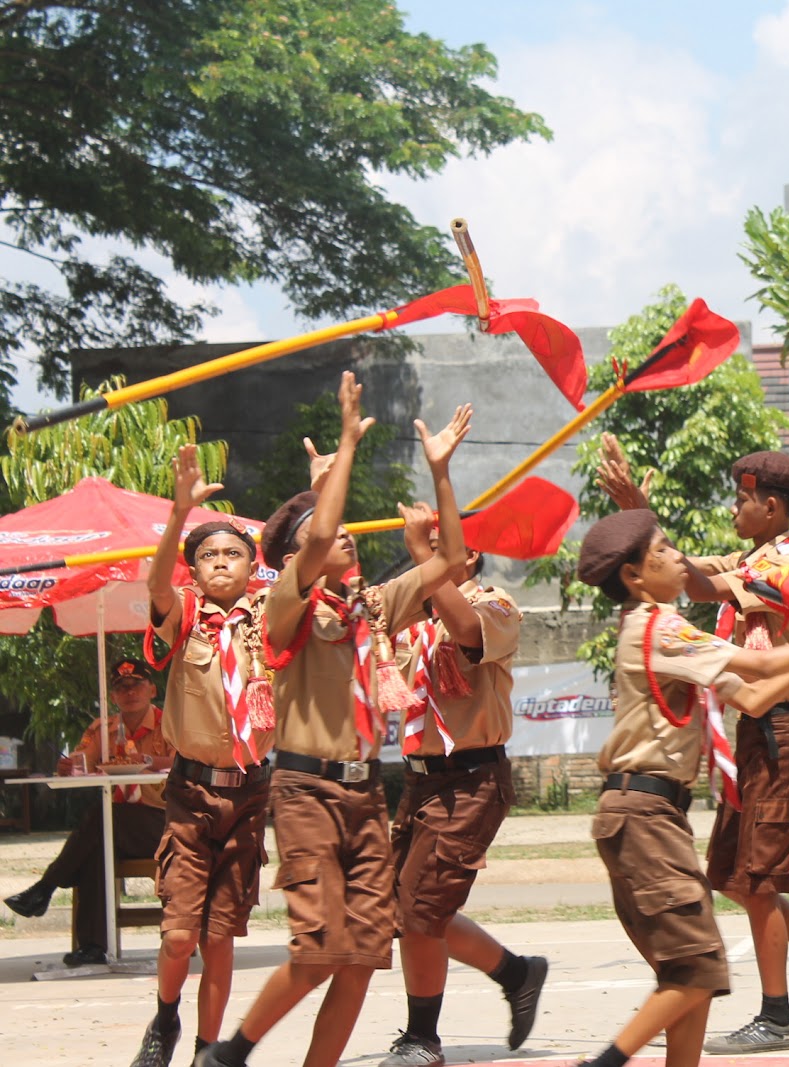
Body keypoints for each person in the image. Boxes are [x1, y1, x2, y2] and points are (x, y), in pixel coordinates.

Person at [571, 509, 789, 1067]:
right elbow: (762, 659)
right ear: (635, 575)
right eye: (664, 551)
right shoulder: (658, 627)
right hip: (641, 815)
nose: (677, 560)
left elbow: (755, 693)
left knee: (693, 975)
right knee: (697, 969)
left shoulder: (661, 628)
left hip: (651, 816)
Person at [199, 374, 471, 1067]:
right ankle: (230, 1051)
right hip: (307, 793)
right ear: (294, 557)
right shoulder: (284, 607)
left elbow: (450, 561)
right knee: (320, 946)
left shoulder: (370, 609)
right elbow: (320, 531)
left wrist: (441, 474)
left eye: (349, 532)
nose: (344, 537)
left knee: (360, 957)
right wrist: (343, 451)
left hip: (364, 795)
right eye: (331, 534)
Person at [597, 438, 789, 1054]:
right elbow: (692, 575)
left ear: (771, 507)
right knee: (732, 873)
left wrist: (645, 518)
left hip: (778, 728)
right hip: (753, 728)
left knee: (760, 880)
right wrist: (643, 518)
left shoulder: (778, 567)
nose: (732, 510)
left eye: (741, 501)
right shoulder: (753, 555)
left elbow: (703, 585)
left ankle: (776, 1016)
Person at [379, 506, 548, 1067]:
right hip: (420, 779)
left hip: (473, 777)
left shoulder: (495, 603)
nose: (423, 551)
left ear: (467, 554)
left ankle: (422, 1038)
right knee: (408, 908)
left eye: (440, 543)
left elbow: (466, 631)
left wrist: (427, 554)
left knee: (423, 909)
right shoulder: (408, 616)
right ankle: (516, 972)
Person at [127, 446, 276, 1067]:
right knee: (180, 932)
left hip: (249, 792)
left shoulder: (270, 619)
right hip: (191, 794)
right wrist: (180, 514)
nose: (220, 562)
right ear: (195, 570)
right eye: (208, 555)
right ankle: (165, 1019)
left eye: (232, 553)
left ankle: (207, 1051)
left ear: (251, 565)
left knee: (220, 940)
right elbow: (157, 585)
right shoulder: (187, 616)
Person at [5, 658, 173, 967]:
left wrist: (152, 761)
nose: (129, 692)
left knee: (102, 818)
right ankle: (94, 946)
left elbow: (189, 763)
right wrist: (68, 766)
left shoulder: (170, 724)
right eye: (121, 687)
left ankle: (46, 887)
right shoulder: (103, 729)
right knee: (96, 847)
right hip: (118, 825)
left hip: (163, 822)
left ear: (151, 689)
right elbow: (81, 763)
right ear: (113, 697)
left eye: (136, 684)